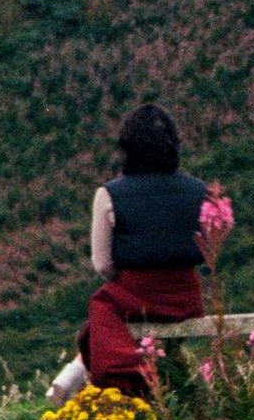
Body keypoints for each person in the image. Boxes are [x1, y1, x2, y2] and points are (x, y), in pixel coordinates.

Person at [47, 104, 224, 402]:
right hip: (187, 297)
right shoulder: (199, 190)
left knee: (102, 304)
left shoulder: (109, 194)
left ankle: (123, 377)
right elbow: (210, 246)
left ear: (127, 147)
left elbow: (102, 262)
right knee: (105, 312)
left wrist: (129, 279)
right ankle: (77, 373)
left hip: (135, 296)